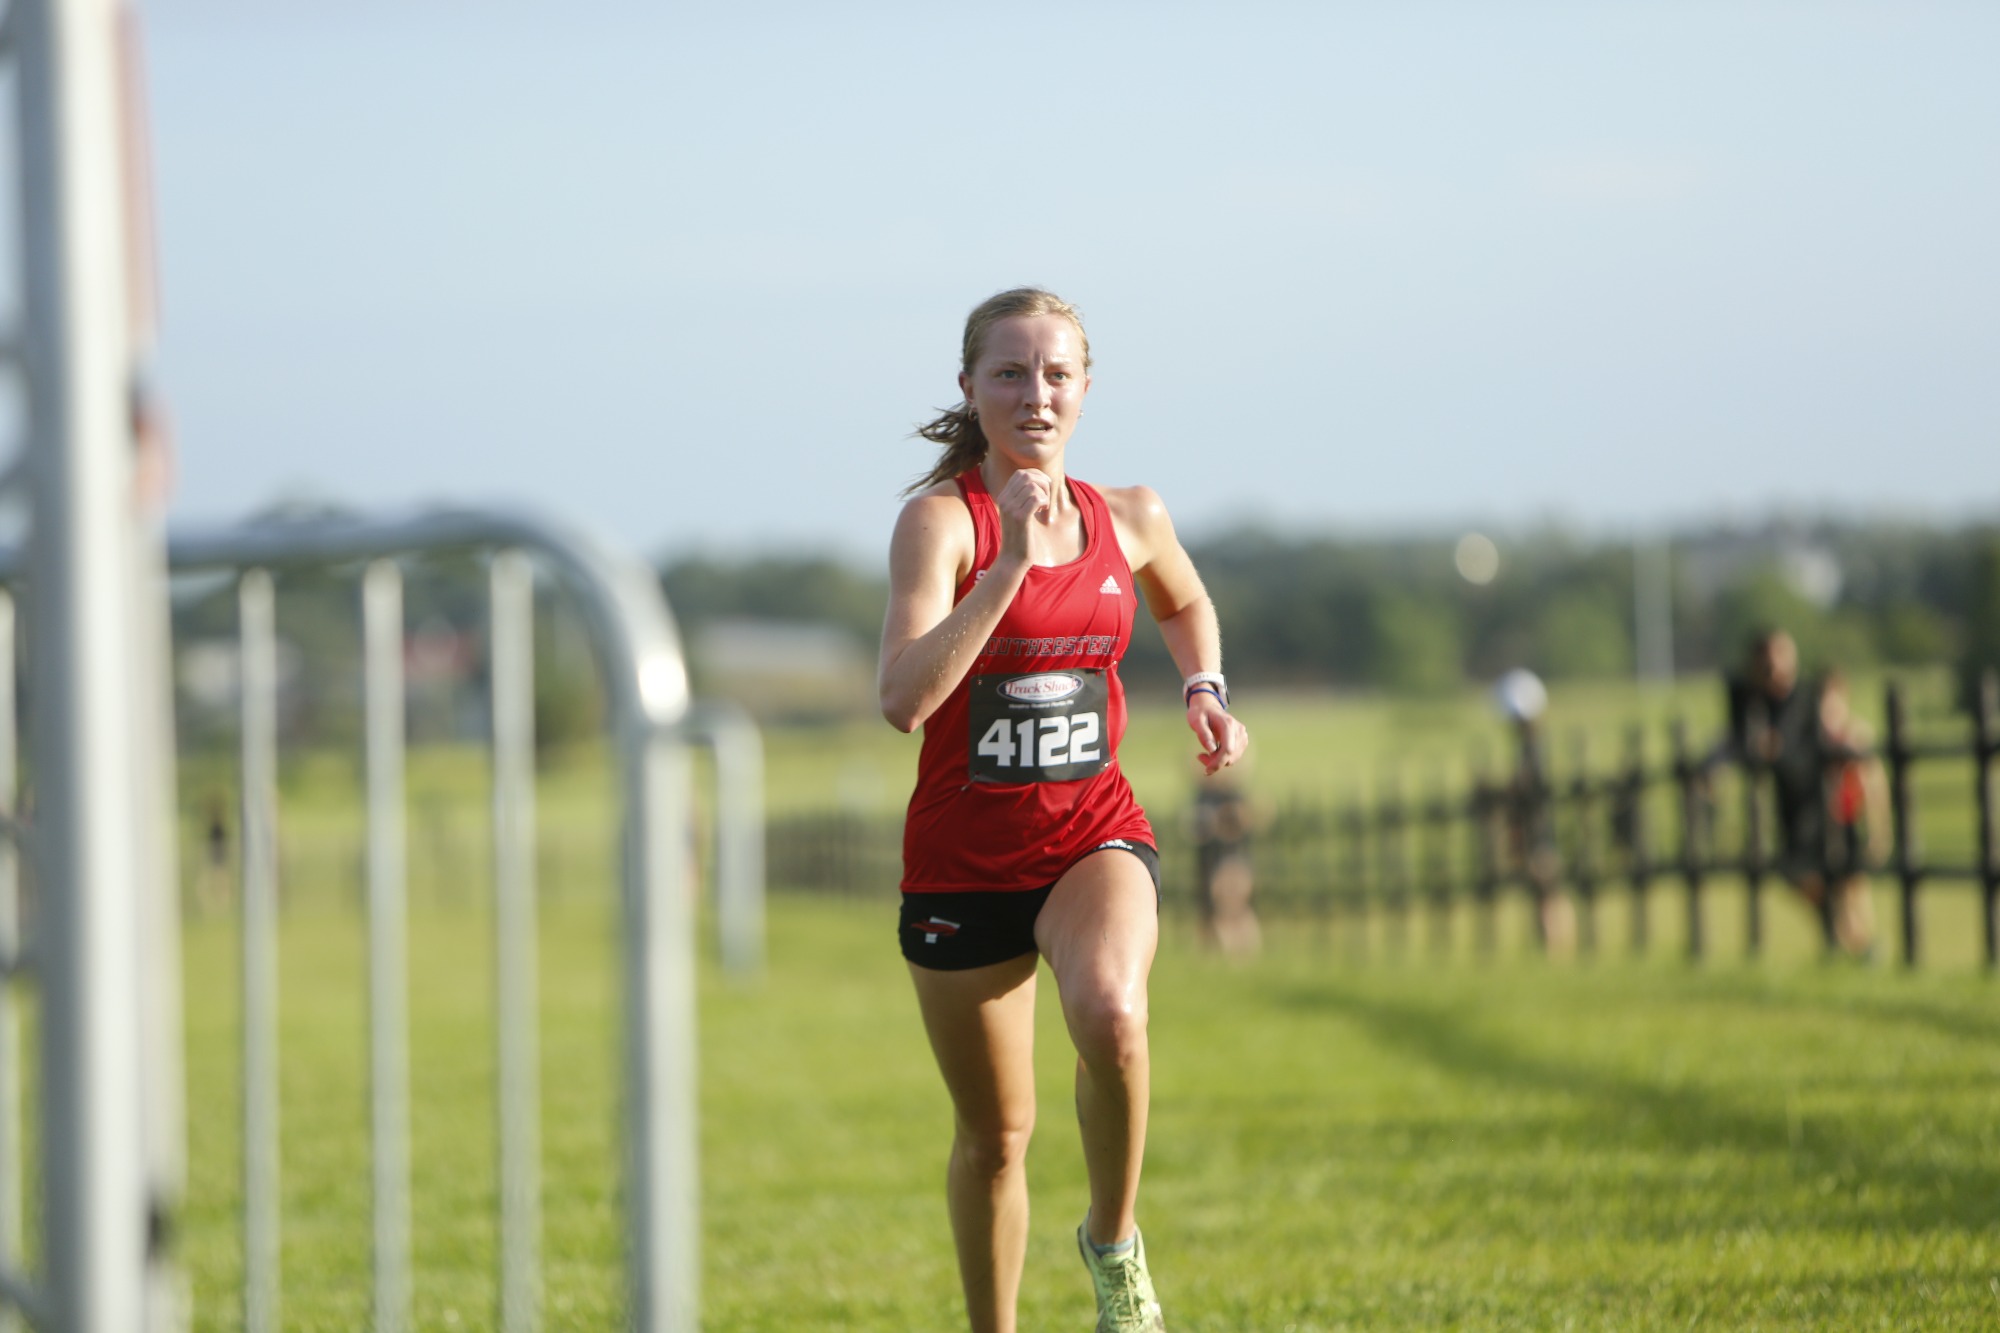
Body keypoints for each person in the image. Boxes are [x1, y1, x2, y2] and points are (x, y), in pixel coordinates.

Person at [879, 287, 1248, 1333]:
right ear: (968, 388)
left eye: (1054, 373)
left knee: (1111, 1013)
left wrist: (1203, 689)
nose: (1032, 394)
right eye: (1007, 373)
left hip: (1091, 836)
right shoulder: (940, 522)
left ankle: (1113, 1245)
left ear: (1085, 387)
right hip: (960, 864)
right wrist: (1005, 571)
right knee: (996, 1136)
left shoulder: (1129, 514)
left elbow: (1181, 599)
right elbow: (901, 699)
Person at [1722, 629, 1874, 957]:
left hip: (1823, 802)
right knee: (1803, 876)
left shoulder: (1806, 696)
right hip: (1792, 806)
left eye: (1781, 657)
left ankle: (1860, 945)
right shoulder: (1755, 700)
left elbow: (1835, 732)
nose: (1775, 667)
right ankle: (1849, 941)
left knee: (1844, 881)